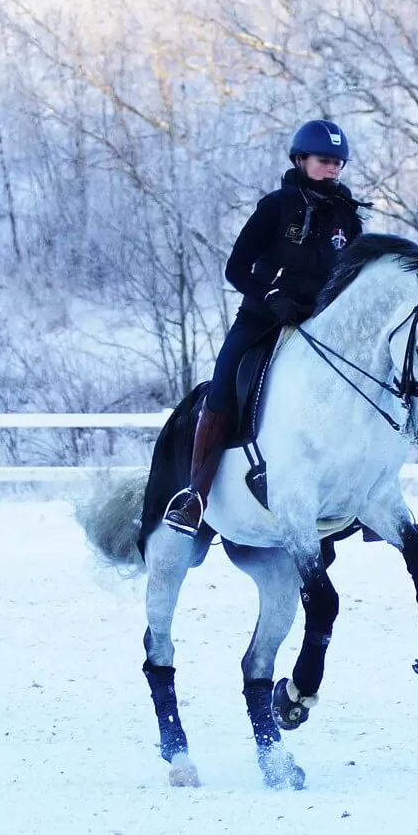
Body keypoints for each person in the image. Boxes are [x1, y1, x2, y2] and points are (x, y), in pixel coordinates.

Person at [163, 119, 368, 537]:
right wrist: (271, 297)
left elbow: (354, 273)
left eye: (338, 163)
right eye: (325, 161)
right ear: (301, 160)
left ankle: (367, 499)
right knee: (222, 386)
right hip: (262, 319)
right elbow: (235, 268)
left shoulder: (348, 215)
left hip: (322, 324)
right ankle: (195, 496)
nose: (333, 169)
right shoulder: (275, 207)